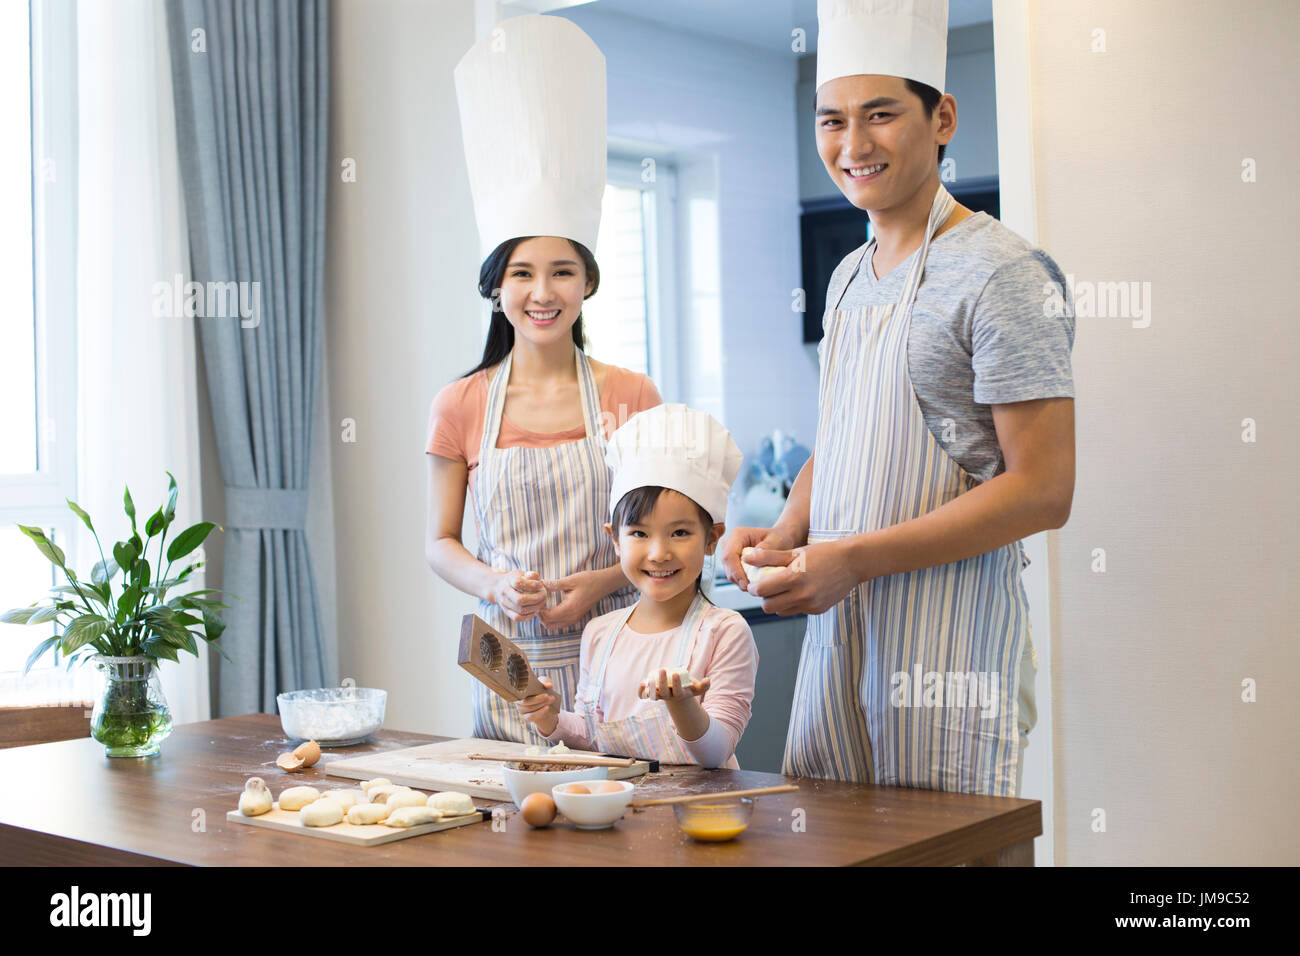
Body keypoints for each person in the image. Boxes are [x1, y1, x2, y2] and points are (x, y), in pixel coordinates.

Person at [720, 0, 1075, 798]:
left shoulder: (1004, 274)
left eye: (880, 114)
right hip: (838, 636)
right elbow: (840, 437)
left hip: (951, 645)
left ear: (941, 117)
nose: (852, 146)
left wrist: (853, 561)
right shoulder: (847, 274)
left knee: (957, 850)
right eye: (832, 120)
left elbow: (1044, 490)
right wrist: (784, 535)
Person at [426, 14, 661, 744]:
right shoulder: (461, 403)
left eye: (562, 270)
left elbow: (668, 541)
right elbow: (439, 542)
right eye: (522, 272)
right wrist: (496, 583)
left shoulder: (634, 396)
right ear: (497, 287)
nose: (542, 291)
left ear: (587, 283)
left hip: (616, 658)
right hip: (509, 668)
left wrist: (598, 583)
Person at [516, 404, 758, 769]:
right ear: (615, 540)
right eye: (639, 533)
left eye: (680, 532)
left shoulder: (725, 633)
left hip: (702, 817)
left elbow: (714, 753)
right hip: (619, 814)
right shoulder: (600, 634)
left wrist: (681, 704)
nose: (659, 553)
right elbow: (590, 736)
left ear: (712, 538)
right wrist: (552, 718)